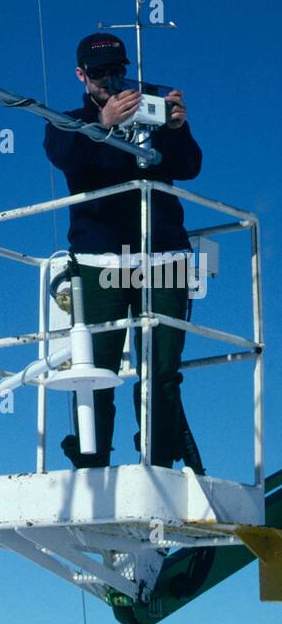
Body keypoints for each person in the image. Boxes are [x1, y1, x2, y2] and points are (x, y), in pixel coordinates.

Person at [43, 33, 203, 471]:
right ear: (82, 75)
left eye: (117, 70)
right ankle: (93, 462)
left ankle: (160, 459)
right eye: (99, 73)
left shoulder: (154, 118)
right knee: (96, 371)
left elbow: (189, 166)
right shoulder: (69, 122)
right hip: (101, 262)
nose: (110, 81)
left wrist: (175, 127)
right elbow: (64, 156)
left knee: (162, 370)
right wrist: (105, 125)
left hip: (163, 256)